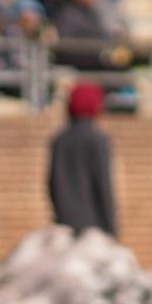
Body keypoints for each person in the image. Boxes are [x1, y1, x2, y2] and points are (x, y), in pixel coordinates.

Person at [48, 81, 118, 236]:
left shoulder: (60, 139)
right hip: (94, 224)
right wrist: (111, 228)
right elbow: (102, 185)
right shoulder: (97, 139)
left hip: (64, 222)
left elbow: (51, 182)